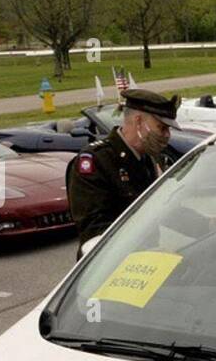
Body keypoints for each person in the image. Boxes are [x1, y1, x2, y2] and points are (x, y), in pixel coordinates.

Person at [68, 88, 178, 253]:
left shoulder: (150, 158)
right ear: (139, 121)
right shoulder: (97, 161)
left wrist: (208, 223)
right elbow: (95, 230)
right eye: (161, 127)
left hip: (149, 263)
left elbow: (165, 207)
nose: (167, 135)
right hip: (111, 265)